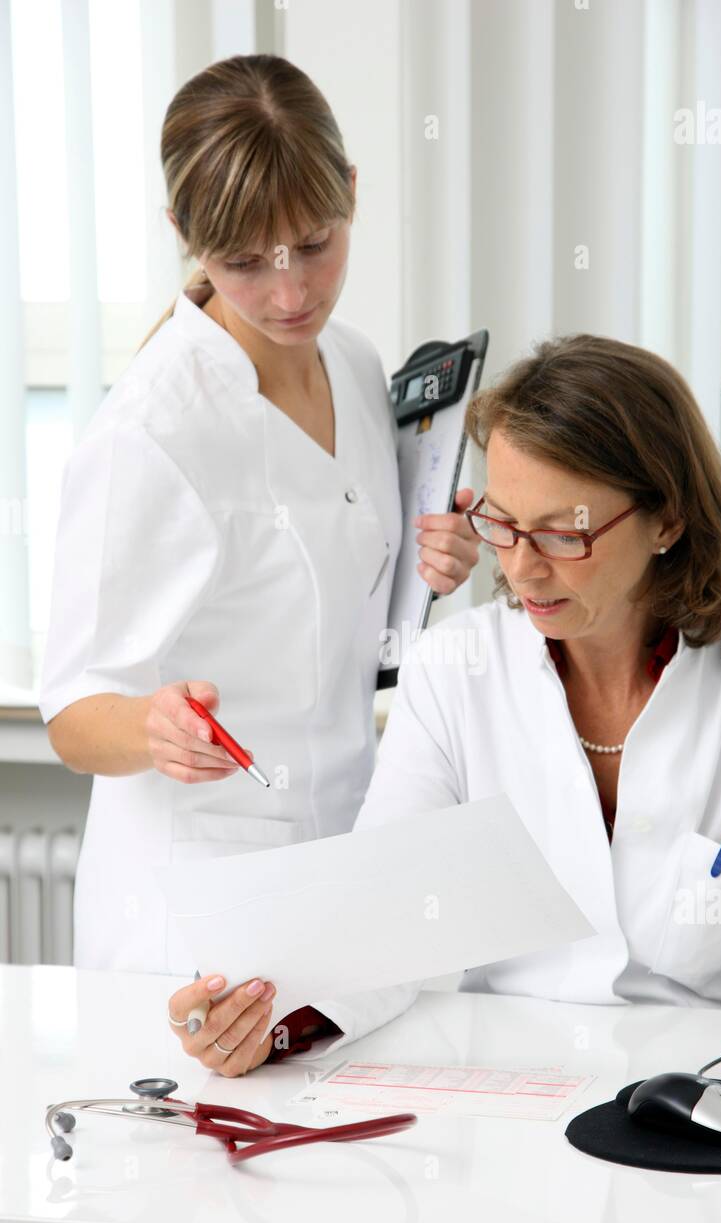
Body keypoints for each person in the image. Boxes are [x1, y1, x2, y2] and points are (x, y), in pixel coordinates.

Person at [168, 334, 721, 1075]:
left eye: (565, 534)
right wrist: (273, 1019)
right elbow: (387, 915)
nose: (523, 569)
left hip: (716, 1085)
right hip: (513, 1093)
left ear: (667, 520)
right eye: (501, 524)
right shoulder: (454, 670)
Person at [38, 55, 480, 983]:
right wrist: (151, 724)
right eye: (243, 263)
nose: (292, 295)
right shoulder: (150, 434)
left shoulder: (357, 369)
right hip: (193, 909)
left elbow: (364, 585)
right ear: (184, 238)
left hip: (345, 849)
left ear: (352, 193)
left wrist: (439, 554)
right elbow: (74, 715)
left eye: (316, 243)